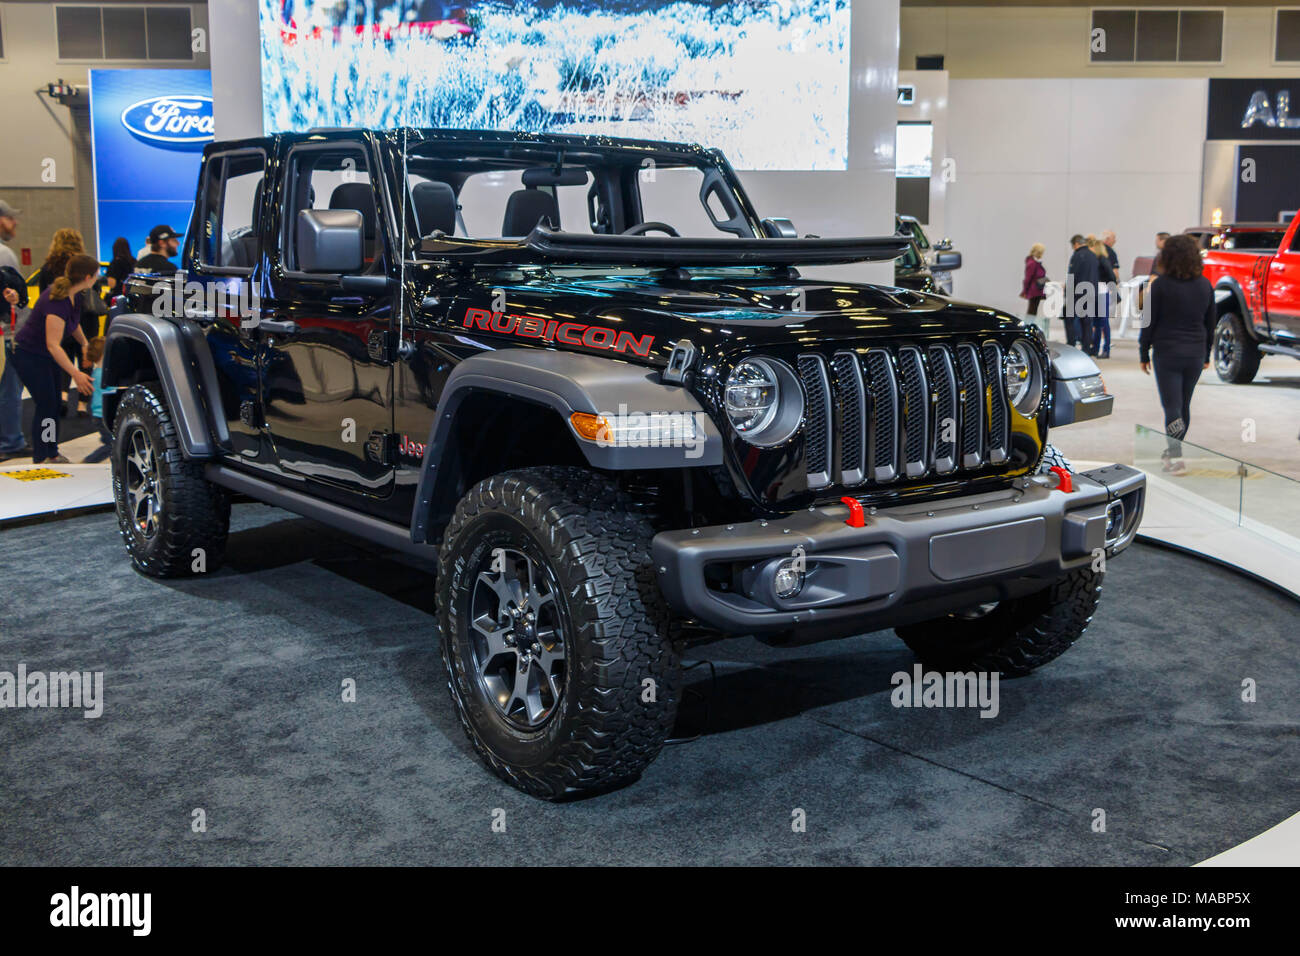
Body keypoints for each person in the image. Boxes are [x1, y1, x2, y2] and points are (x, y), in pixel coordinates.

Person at [8, 254, 98, 464]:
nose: (97, 278)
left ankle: (51, 452)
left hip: (43, 355)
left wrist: (85, 344)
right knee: (46, 404)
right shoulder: (57, 301)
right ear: (87, 277)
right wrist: (75, 373)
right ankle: (43, 456)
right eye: (95, 275)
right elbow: (53, 344)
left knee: (53, 403)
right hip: (28, 354)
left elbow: (73, 324)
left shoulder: (76, 296)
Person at [1139, 234, 1216, 474]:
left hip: (1167, 353)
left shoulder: (1160, 285)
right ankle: (1174, 452)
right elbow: (1210, 323)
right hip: (1194, 352)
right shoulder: (1205, 285)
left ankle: (1175, 457)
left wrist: (1143, 352)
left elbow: (1148, 323)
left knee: (1171, 406)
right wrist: (1206, 355)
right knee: (1184, 405)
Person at [0, 199, 30, 461]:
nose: (15, 223)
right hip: (6, 334)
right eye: (10, 218)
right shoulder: (4, 254)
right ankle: (10, 441)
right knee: (9, 389)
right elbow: (18, 300)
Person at [81, 336, 113, 464]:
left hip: (99, 414)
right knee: (112, 444)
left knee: (112, 442)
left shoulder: (97, 372)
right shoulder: (104, 375)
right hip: (103, 415)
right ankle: (88, 462)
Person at [1064, 234, 1099, 348]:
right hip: (1091, 292)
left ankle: (1071, 344)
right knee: (1087, 322)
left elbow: (1072, 275)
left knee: (1069, 318)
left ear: (1076, 244)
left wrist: (1067, 293)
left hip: (1077, 293)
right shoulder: (1093, 256)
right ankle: (1086, 348)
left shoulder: (1077, 255)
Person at [1088, 236, 1117, 359]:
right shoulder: (1096, 259)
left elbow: (1112, 276)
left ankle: (1106, 349)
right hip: (1096, 291)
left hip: (1102, 292)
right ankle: (1095, 348)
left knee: (1103, 322)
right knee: (1096, 322)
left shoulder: (1103, 259)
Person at [1020, 243, 1048, 334]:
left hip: (1037, 291)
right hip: (1034, 291)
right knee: (1032, 310)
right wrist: (1025, 291)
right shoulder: (1032, 263)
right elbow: (1027, 279)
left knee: (1033, 310)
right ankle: (1027, 328)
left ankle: (1028, 327)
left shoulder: (1035, 262)